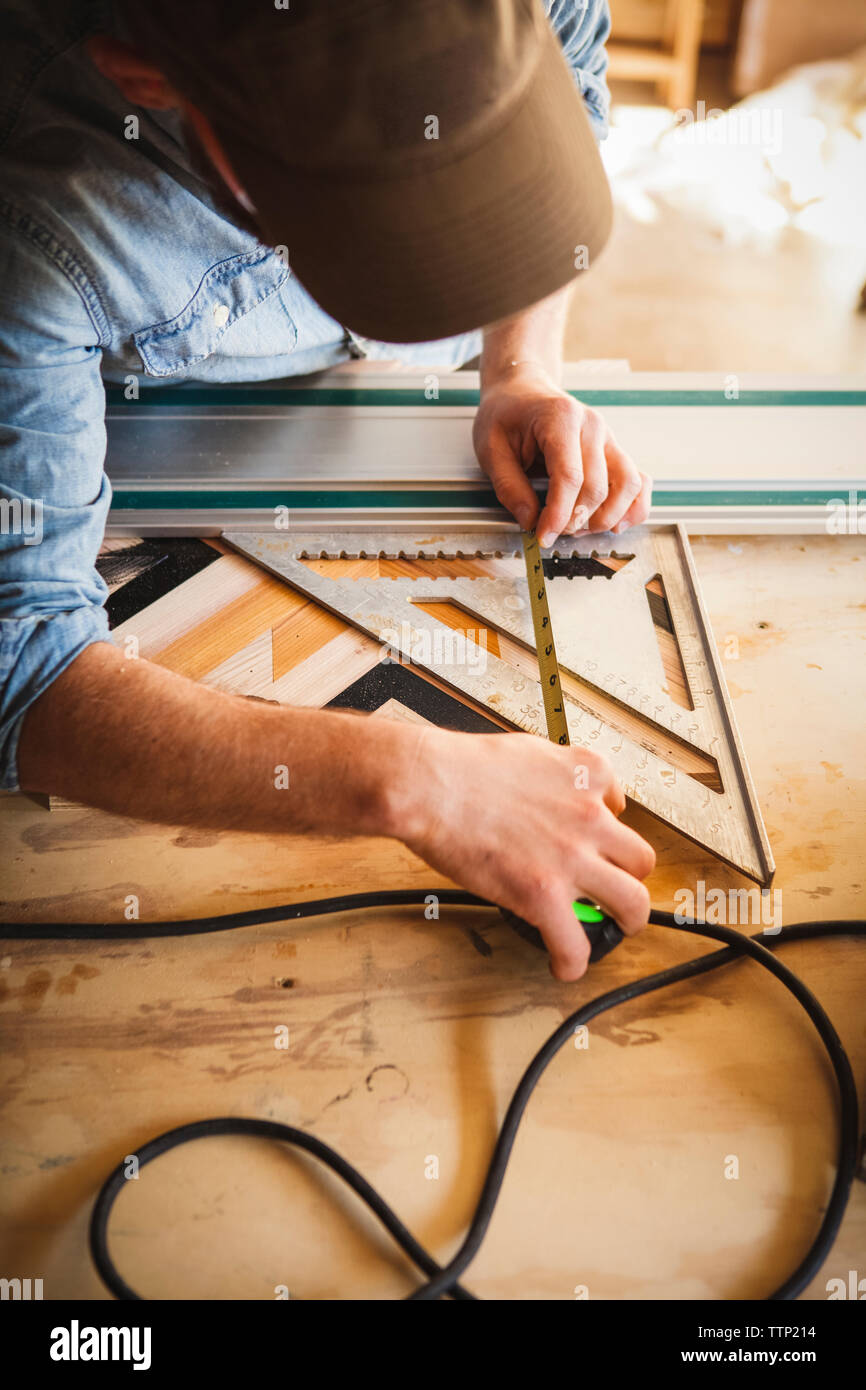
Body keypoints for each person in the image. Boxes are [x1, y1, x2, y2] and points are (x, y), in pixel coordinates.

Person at [0, 0, 654, 979]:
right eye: (357, 212)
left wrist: (519, 364)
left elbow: (572, 59)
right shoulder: (34, 243)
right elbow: (25, 670)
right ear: (148, 82)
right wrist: (408, 780)